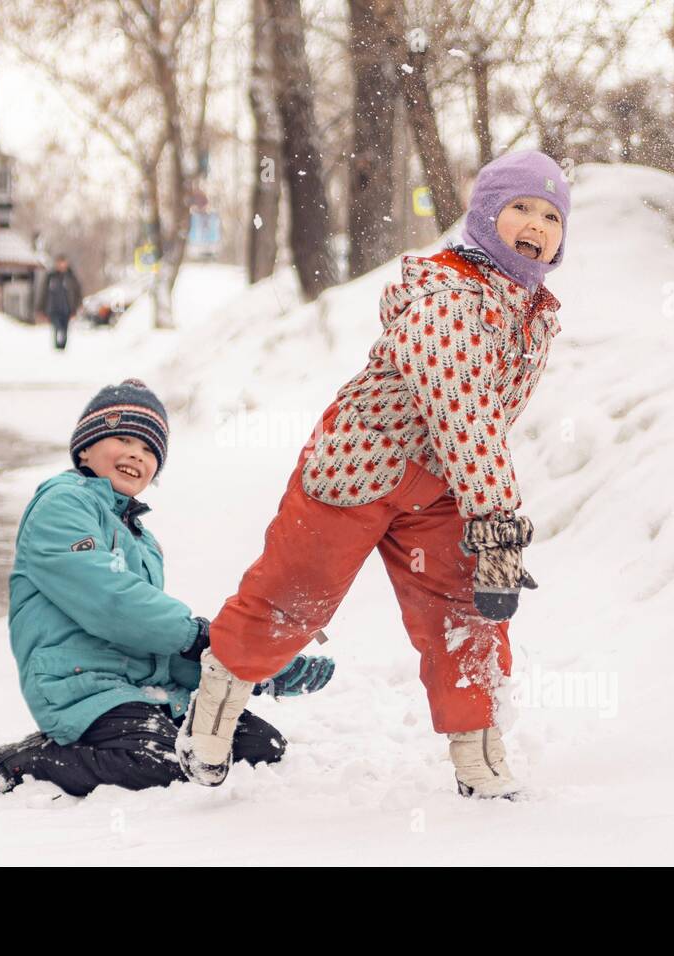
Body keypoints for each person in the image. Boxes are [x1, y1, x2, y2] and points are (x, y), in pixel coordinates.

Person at [175, 150, 570, 800]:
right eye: (519, 207)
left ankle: (479, 755)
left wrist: (481, 520)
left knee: (465, 612)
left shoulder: (531, 313)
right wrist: (496, 523)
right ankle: (216, 702)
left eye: (551, 214)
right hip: (362, 465)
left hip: (439, 486)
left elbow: (481, 429)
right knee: (295, 595)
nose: (535, 223)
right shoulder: (444, 295)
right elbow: (465, 412)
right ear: (484, 215)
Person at [0, 379, 334, 799]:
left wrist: (244, 668)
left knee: (260, 749)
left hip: (142, 688)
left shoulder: (143, 540)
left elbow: (153, 643)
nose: (135, 455)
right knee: (157, 761)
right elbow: (112, 601)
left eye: (148, 451)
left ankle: (124, 738)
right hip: (80, 685)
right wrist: (201, 635)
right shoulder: (63, 505)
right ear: (84, 448)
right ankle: (22, 764)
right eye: (122, 438)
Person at [38, 255, 83, 350]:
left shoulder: (71, 277)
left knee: (64, 329)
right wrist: (40, 308)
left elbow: (78, 293)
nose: (61, 265)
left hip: (67, 309)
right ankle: (57, 346)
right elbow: (44, 293)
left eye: (63, 263)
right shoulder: (51, 277)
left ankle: (62, 348)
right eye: (59, 263)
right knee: (57, 328)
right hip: (53, 308)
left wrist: (77, 307)